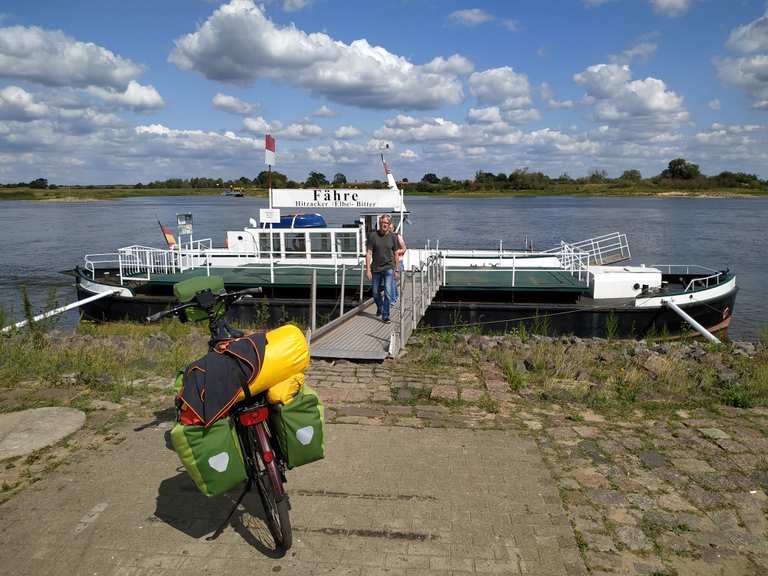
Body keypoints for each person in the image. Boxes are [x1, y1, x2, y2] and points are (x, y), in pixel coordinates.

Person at [365, 214, 400, 323]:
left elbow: (396, 254)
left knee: (388, 293)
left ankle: (385, 315)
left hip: (389, 268)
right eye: (382, 223)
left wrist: (397, 269)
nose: (384, 225)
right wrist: (368, 270)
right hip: (376, 268)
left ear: (389, 225)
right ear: (379, 224)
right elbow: (369, 253)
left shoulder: (393, 237)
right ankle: (380, 307)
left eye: (386, 223)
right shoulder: (373, 236)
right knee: (375, 293)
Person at [391, 230, 406, 304]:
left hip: (398, 261)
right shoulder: (386, 237)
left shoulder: (398, 236)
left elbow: (404, 249)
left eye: (390, 227)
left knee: (392, 280)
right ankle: (395, 296)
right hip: (390, 262)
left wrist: (396, 252)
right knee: (392, 281)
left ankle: (393, 299)